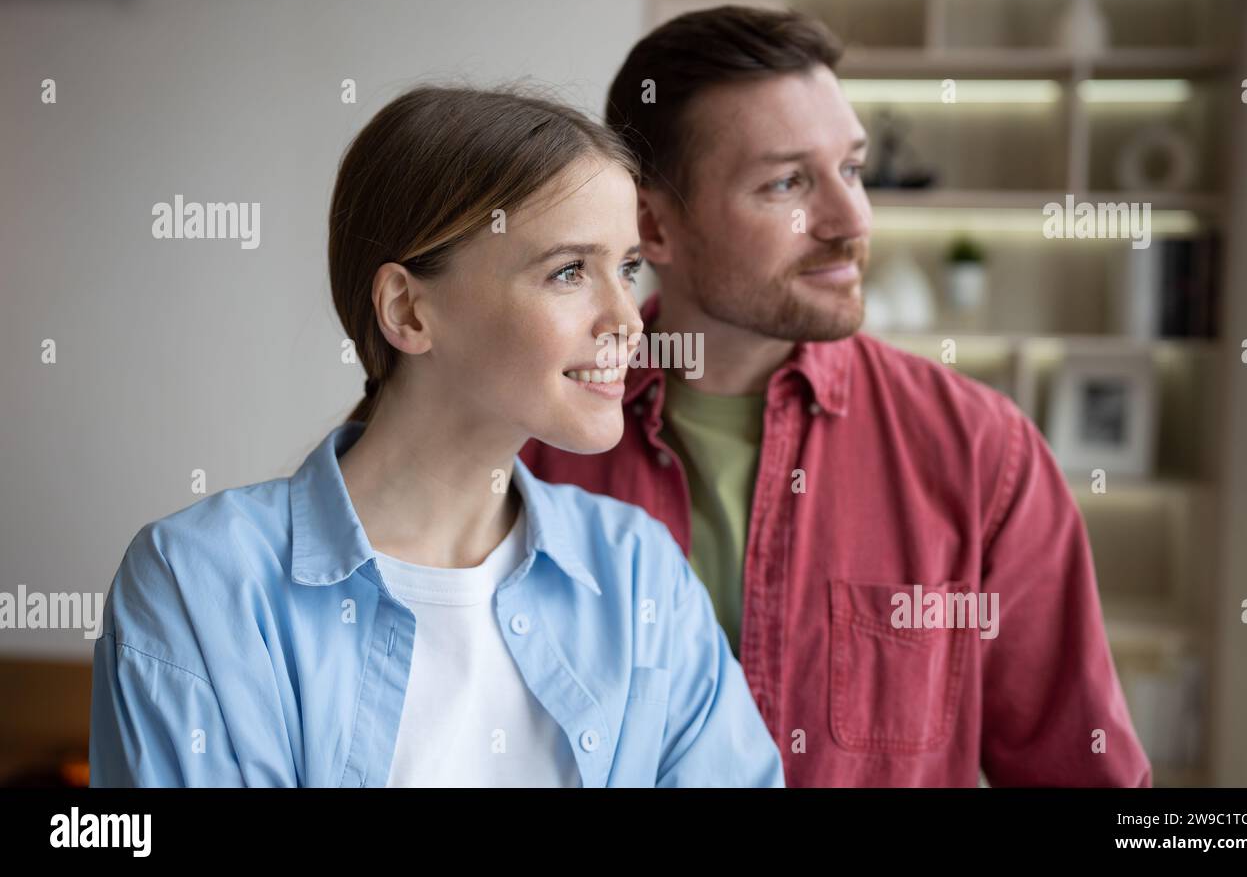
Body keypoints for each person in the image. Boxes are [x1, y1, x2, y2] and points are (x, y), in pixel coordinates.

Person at [521, 6, 1153, 787]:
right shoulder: (527, 448)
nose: (853, 218)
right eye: (788, 182)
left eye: (850, 169)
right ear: (653, 225)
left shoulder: (982, 452)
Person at [89, 84, 784, 788]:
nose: (627, 320)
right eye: (570, 271)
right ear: (408, 311)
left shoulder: (641, 574)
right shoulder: (197, 583)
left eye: (628, 269)